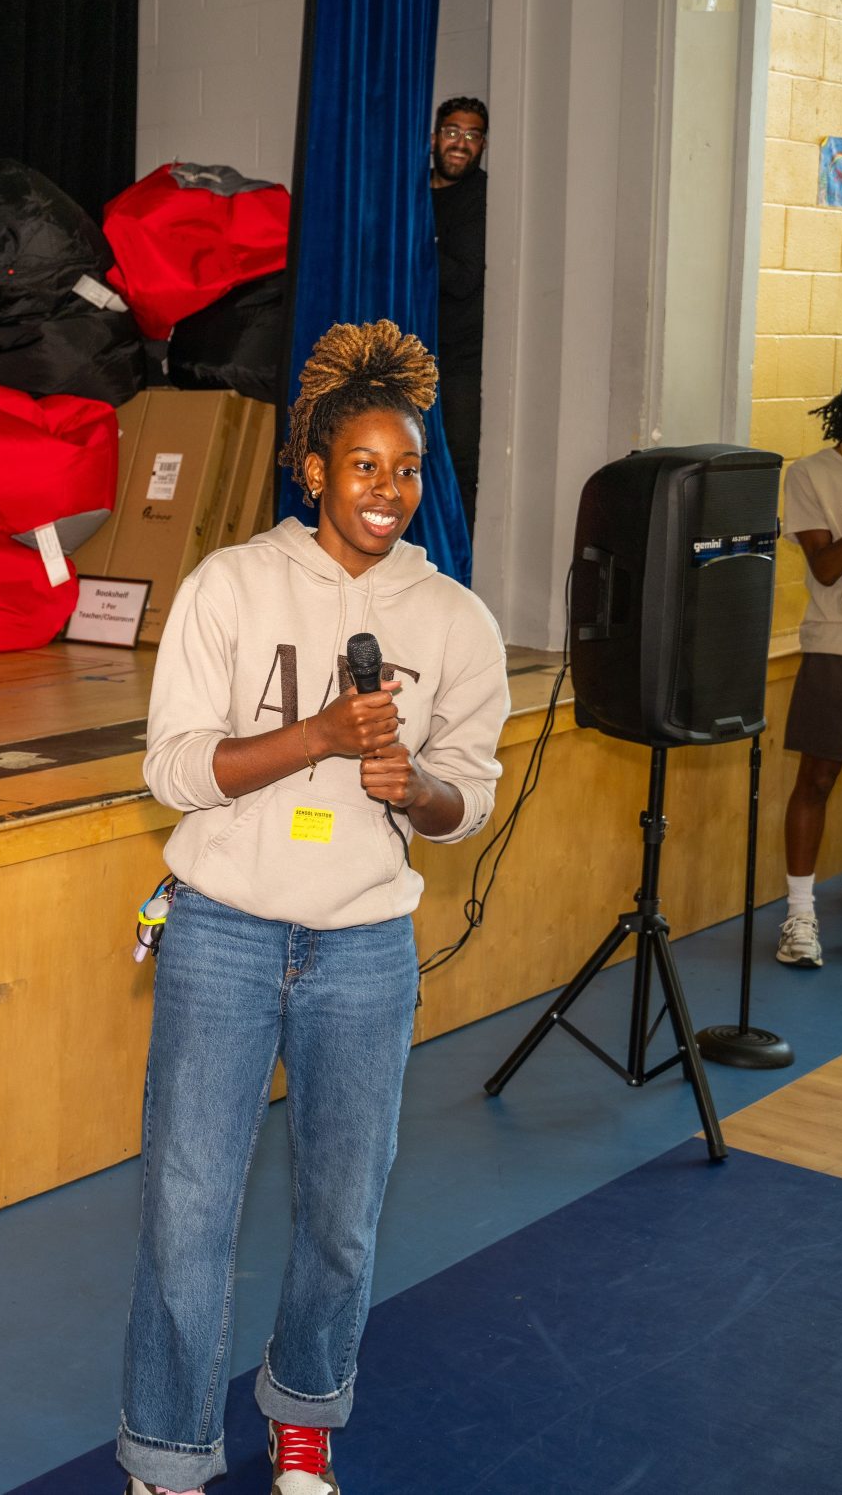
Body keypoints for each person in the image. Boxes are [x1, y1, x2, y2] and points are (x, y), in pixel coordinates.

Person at [118, 321, 510, 1495]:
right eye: (362, 465)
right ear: (313, 470)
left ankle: (303, 1415)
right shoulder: (227, 586)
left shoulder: (454, 621)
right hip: (223, 936)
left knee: (342, 1213)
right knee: (188, 1214)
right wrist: (322, 738)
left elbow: (469, 796)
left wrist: (418, 786)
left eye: (405, 469)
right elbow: (175, 769)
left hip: (364, 951)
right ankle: (170, 1454)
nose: (387, 488)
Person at [774, 361, 842, 968]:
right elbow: (828, 568)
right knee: (819, 779)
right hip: (841, 642)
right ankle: (799, 916)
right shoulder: (813, 475)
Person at [430, 97, 488, 533]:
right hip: (403, 353)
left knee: (457, 468)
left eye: (472, 136)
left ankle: (456, 578)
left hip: (459, 361)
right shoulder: (409, 194)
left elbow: (464, 279)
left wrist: (420, 244)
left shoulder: (483, 198)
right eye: (453, 132)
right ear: (435, 138)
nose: (461, 144)